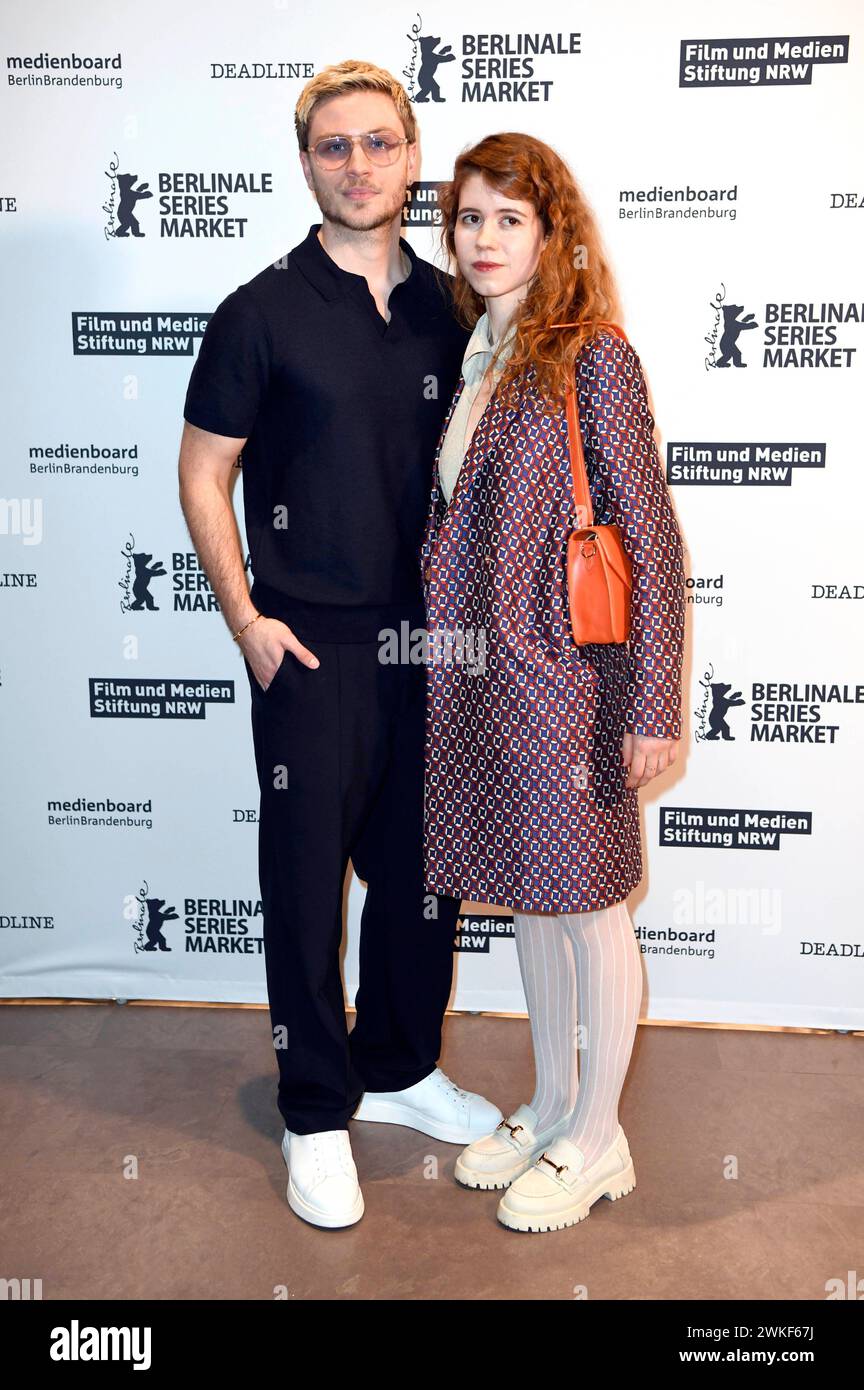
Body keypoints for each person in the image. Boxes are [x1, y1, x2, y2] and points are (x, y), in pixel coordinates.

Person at [178, 61, 502, 1231]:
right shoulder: (257, 311)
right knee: (307, 885)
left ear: (411, 155)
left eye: (378, 143)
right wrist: (247, 622)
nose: (358, 165)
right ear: (306, 160)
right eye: (334, 146)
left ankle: (400, 1067)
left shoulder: (454, 306)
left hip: (435, 645)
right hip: (309, 643)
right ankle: (317, 1108)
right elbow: (203, 470)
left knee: (423, 879)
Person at [420, 132, 686, 1233]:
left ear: (551, 233)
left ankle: (597, 1140)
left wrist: (655, 705)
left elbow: (652, 540)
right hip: (484, 686)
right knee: (538, 901)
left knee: (587, 913)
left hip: (571, 684)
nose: (484, 240)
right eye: (469, 218)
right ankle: (549, 1104)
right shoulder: (480, 354)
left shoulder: (593, 357)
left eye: (508, 220)